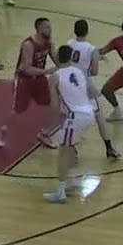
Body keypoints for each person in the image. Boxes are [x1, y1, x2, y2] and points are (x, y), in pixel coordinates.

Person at [44, 45, 102, 203]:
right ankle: (71, 180)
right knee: (68, 147)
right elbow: (88, 93)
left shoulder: (54, 77)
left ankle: (61, 191)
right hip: (88, 112)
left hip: (76, 116)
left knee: (62, 151)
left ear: (57, 58)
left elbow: (55, 105)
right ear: (71, 57)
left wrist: (51, 124)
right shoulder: (79, 72)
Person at [0, 18, 56, 149]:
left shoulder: (49, 43)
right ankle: (3, 130)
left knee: (52, 104)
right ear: (39, 29)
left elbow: (57, 61)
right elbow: (27, 69)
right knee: (18, 111)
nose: (50, 30)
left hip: (39, 78)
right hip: (25, 79)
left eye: (50, 27)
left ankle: (44, 133)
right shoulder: (28, 44)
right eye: (47, 28)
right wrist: (47, 71)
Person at [68, 19, 121, 160]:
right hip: (85, 85)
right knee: (99, 116)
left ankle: (70, 148)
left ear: (75, 31)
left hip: (70, 84)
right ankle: (109, 149)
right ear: (87, 31)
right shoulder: (91, 49)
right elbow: (95, 72)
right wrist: (93, 61)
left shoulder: (69, 44)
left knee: (71, 116)